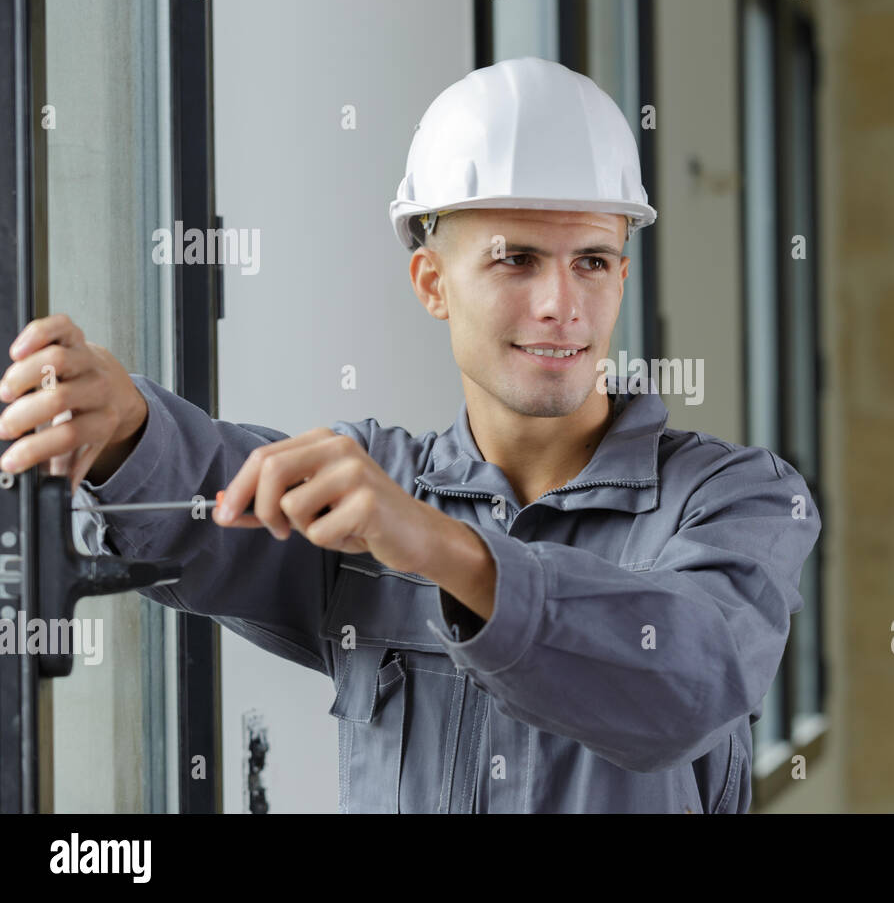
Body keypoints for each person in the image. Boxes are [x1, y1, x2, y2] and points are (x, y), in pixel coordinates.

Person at [0, 56, 821, 813]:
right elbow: (212, 489)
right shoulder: (376, 488)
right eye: (516, 260)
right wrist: (120, 430)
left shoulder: (740, 498)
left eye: (593, 262)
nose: (561, 305)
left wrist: (436, 547)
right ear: (433, 283)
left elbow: (688, 681)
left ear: (621, 275)